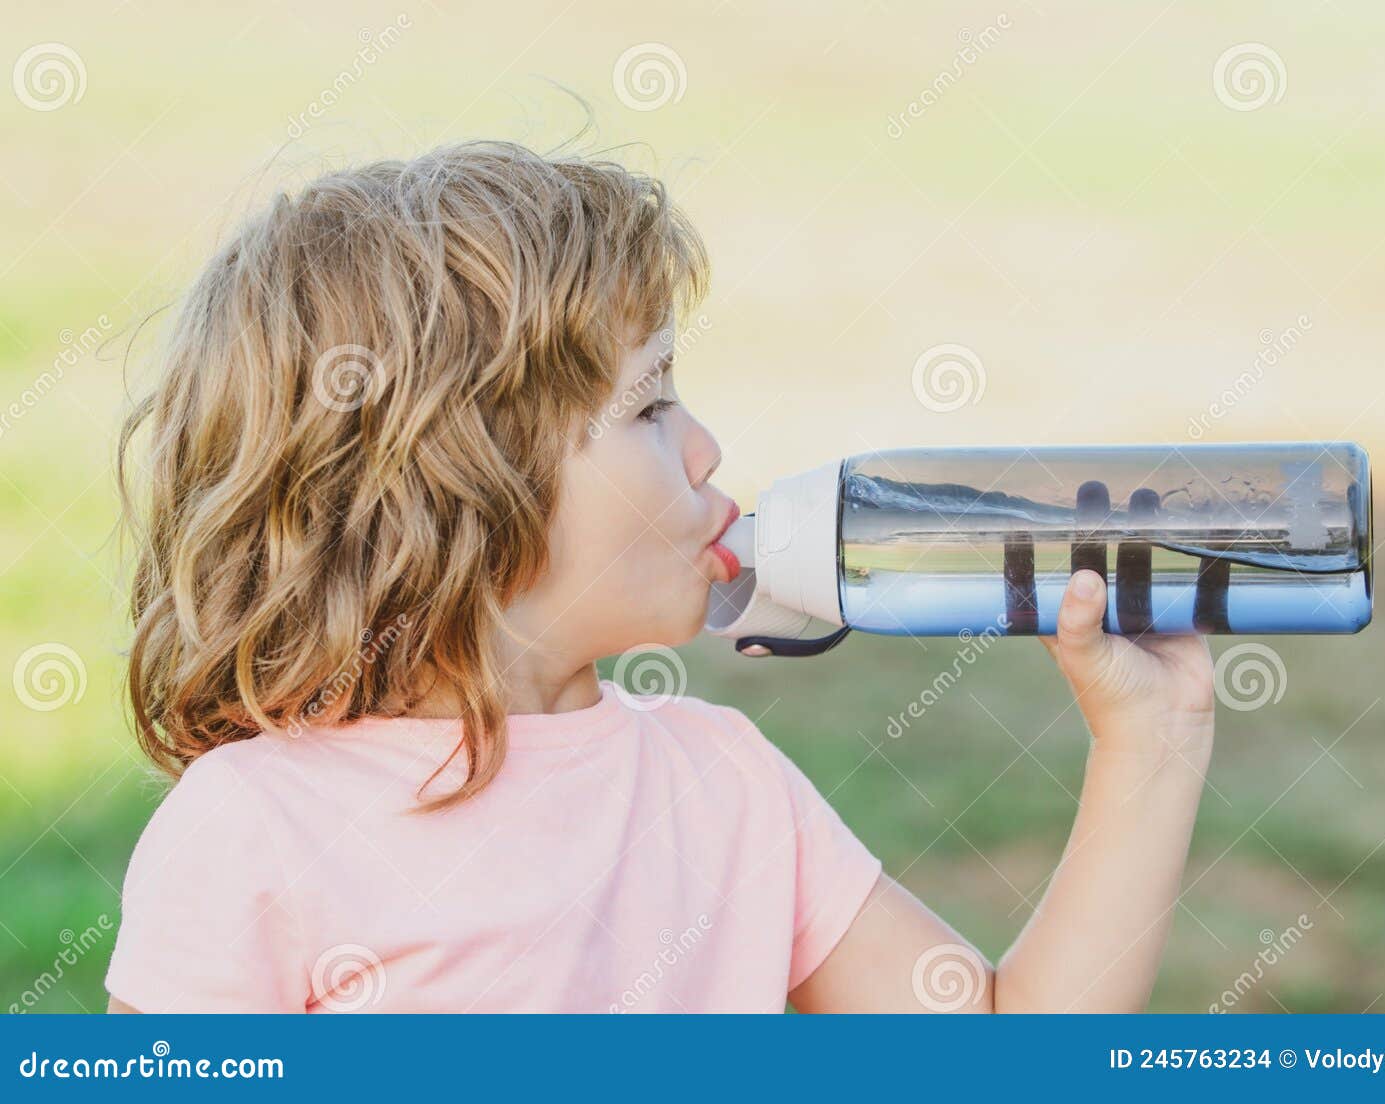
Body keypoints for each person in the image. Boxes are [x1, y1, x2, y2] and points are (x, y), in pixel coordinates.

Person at [105, 140, 1215, 1013]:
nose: (706, 448)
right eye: (648, 405)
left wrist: (1151, 744)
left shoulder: (722, 782)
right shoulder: (255, 833)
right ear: (459, 495)